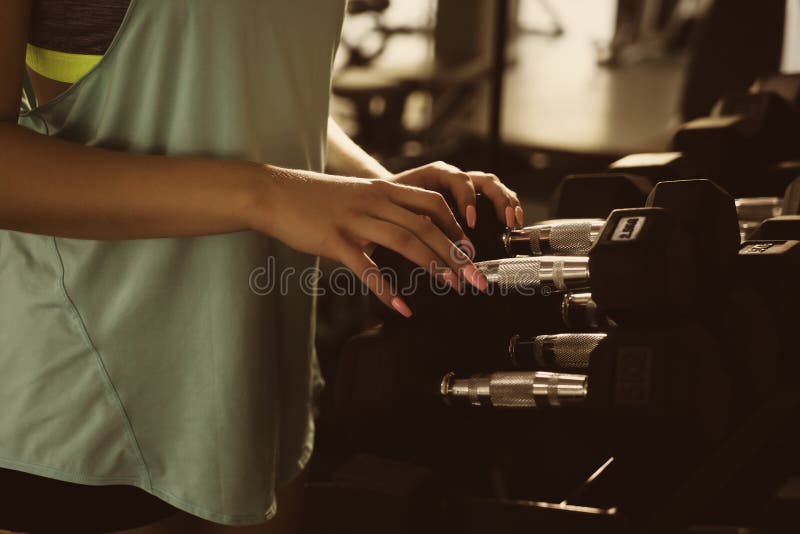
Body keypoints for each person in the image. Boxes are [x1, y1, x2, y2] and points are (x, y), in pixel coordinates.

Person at [0, 1, 523, 532]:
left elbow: (249, 78)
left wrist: (374, 193)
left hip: (259, 377)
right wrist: (268, 195)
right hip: (94, 400)